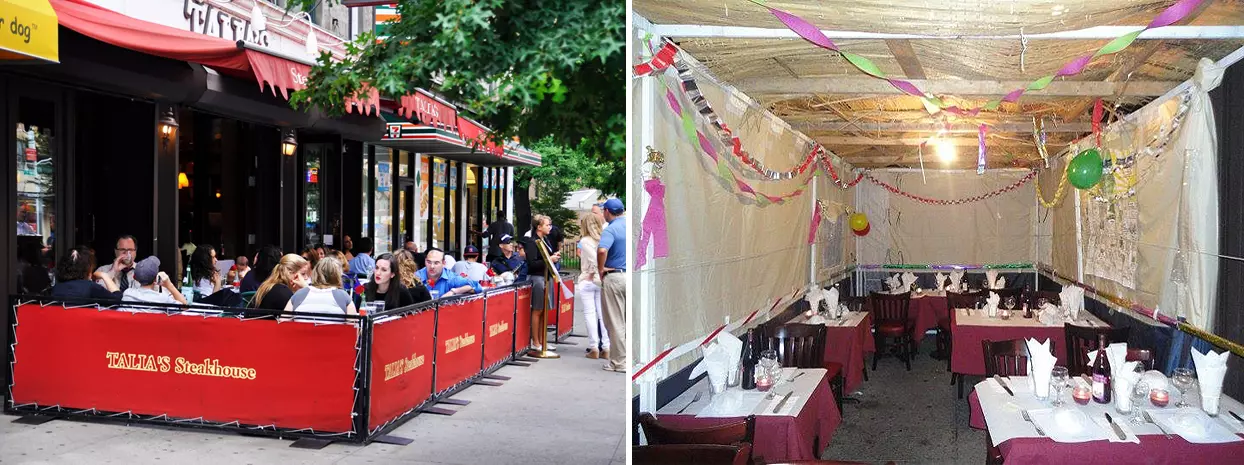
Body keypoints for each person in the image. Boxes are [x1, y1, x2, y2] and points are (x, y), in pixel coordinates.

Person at [521, 215, 561, 352]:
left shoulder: (545, 240)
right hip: (538, 277)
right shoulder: (532, 242)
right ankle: (535, 341)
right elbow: (532, 263)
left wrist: (553, 257)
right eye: (547, 225)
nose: (549, 227)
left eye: (550, 225)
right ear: (539, 227)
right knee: (537, 309)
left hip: (547, 276)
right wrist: (550, 259)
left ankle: (543, 340)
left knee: (544, 310)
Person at [597, 198, 628, 373]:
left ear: (607, 211)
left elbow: (602, 250)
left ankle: (619, 362)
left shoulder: (611, 230)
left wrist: (601, 269)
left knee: (616, 322)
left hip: (614, 277)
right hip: (629, 276)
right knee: (628, 320)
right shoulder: (630, 226)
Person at [577, 214, 609, 360]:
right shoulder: (604, 238)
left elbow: (593, 259)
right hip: (602, 280)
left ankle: (594, 347)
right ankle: (606, 347)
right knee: (602, 314)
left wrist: (592, 273)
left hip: (590, 278)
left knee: (590, 314)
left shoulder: (585, 241)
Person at [285, 257, 357, 320]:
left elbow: (283, 324)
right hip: (333, 335)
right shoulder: (344, 297)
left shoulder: (298, 295)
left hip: (301, 335)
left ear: (316, 273)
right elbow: (353, 329)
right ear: (338, 276)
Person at [50, 246, 121, 300]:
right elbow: (117, 299)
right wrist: (105, 276)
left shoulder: (55, 288)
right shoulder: (90, 287)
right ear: (87, 269)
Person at [364, 253, 428, 310]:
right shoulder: (365, 289)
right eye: (376, 268)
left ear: (392, 274)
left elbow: (409, 316)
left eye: (384, 270)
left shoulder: (401, 291)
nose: (378, 273)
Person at [121, 256, 188, 306]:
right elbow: (184, 306)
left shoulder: (128, 294)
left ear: (134, 277)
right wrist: (169, 285)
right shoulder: (163, 298)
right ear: (156, 279)